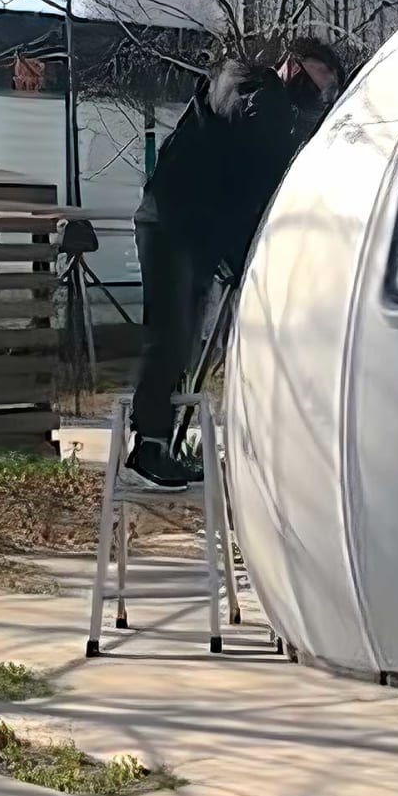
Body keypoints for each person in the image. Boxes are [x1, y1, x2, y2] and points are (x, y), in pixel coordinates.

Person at [125, 37, 344, 490]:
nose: (319, 92)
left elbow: (251, 187)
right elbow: (253, 127)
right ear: (295, 65)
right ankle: (148, 444)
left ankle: (165, 442)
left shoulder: (275, 117)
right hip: (172, 222)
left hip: (205, 234)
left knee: (186, 341)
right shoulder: (242, 82)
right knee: (169, 333)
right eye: (319, 78)